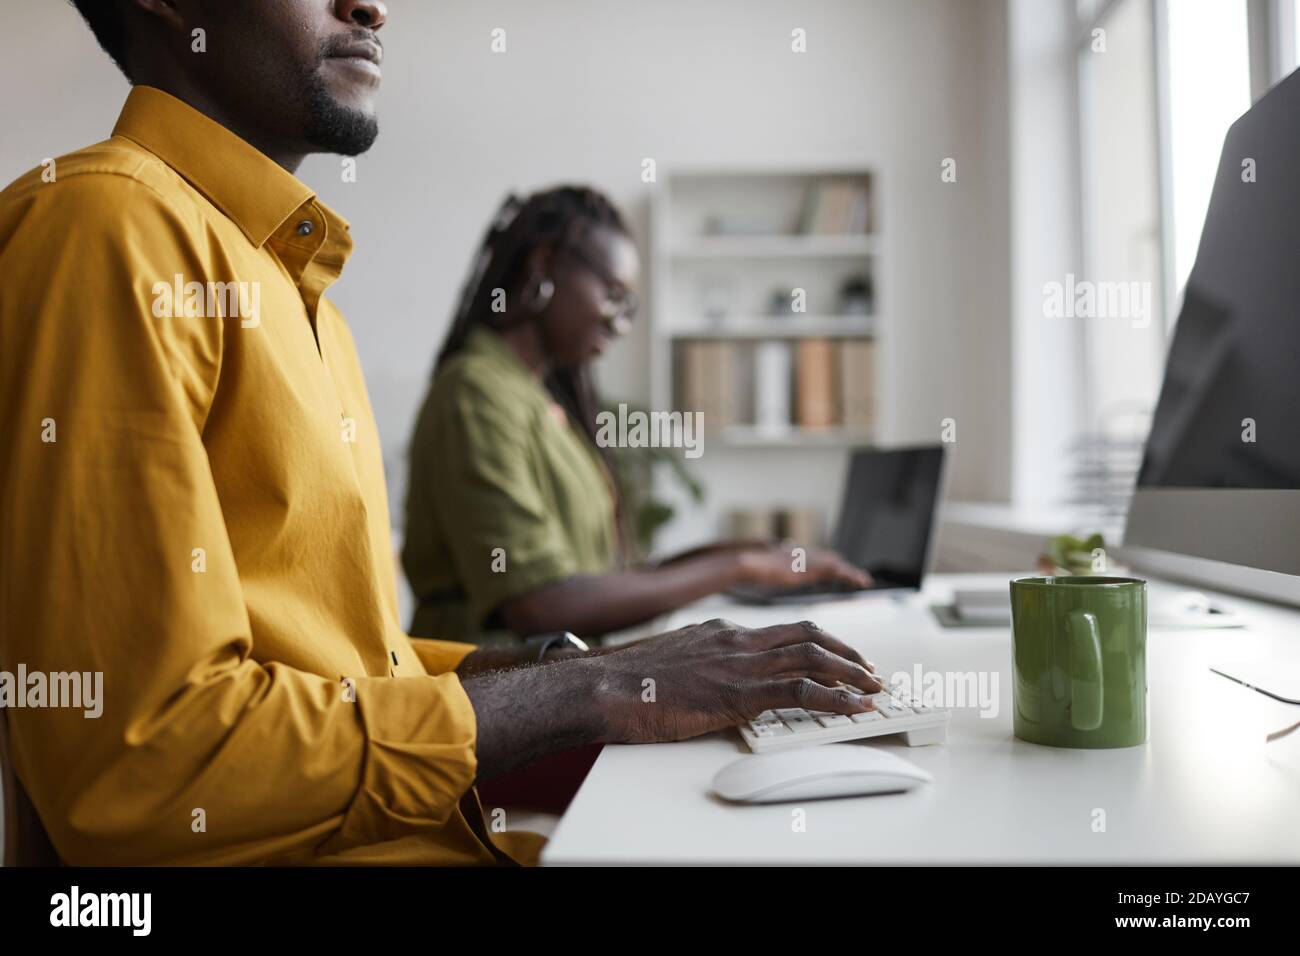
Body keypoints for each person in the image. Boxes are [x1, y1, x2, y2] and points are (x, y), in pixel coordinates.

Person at [0, 0, 882, 866]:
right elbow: (150, 767)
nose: (372, 7)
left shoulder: (307, 305)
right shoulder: (108, 231)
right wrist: (594, 687)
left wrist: (599, 671)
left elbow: (356, 671)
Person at [402, 185, 870, 644]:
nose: (619, 323)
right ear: (543, 264)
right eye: (611, 294)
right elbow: (537, 603)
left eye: (628, 306)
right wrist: (737, 567)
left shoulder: (532, 397)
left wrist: (754, 554)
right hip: (482, 698)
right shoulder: (477, 393)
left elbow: (597, 578)